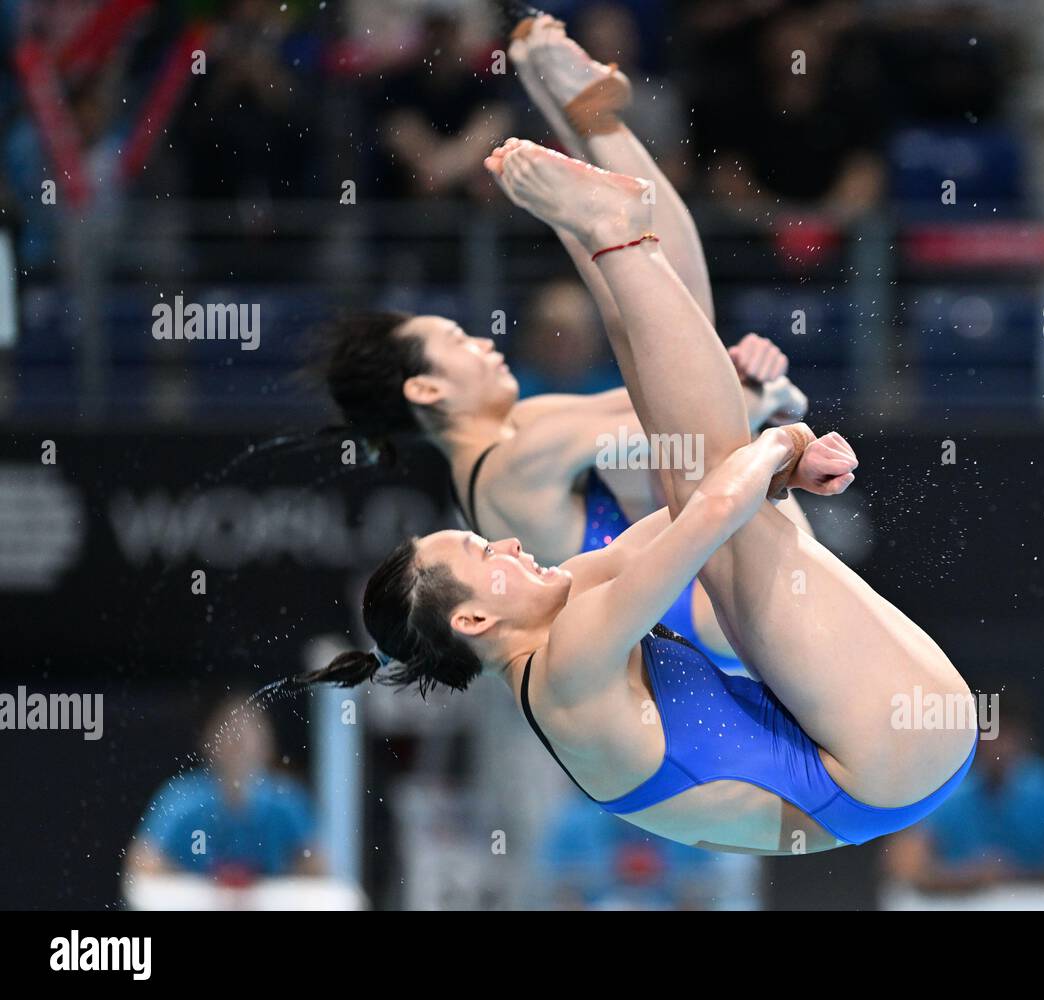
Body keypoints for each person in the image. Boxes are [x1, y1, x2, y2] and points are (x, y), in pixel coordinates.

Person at [298, 136, 977, 855]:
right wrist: (780, 441)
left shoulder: (557, 595)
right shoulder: (564, 662)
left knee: (695, 464)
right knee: (701, 468)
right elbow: (707, 508)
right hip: (882, 763)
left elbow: (666, 519)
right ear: (471, 616)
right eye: (480, 550)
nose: (500, 541)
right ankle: (613, 222)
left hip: (878, 753)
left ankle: (611, 217)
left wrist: (774, 470)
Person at [317, 17, 810, 677]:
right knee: (664, 347)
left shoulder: (513, 445)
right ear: (427, 390)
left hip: (703, 602)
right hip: (709, 618)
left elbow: (666, 376)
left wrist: (583, 221)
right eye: (457, 342)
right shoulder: (517, 457)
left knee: (654, 327)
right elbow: (692, 428)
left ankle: (582, 115)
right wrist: (763, 395)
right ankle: (586, 119)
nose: (483, 346)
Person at [885, 695, 1044, 892]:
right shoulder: (949, 794)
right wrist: (969, 877)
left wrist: (1017, 877)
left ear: (1024, 737)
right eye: (990, 735)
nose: (997, 745)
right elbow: (904, 867)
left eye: (1006, 734)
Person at [126, 696, 321, 880]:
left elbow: (318, 867)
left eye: (248, 730)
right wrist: (201, 891)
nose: (239, 741)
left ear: (268, 741)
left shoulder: (287, 800)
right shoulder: (181, 798)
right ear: (208, 741)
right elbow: (142, 863)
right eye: (230, 730)